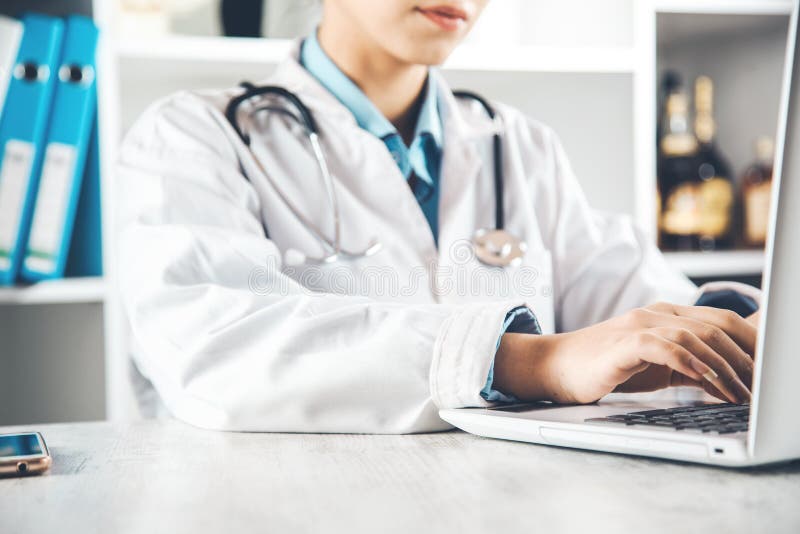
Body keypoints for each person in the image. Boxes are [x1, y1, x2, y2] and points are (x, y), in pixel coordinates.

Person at [117, 0, 761, 433]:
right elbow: (211, 348)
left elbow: (627, 295)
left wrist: (734, 332)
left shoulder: (516, 144)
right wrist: (535, 362)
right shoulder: (193, 136)